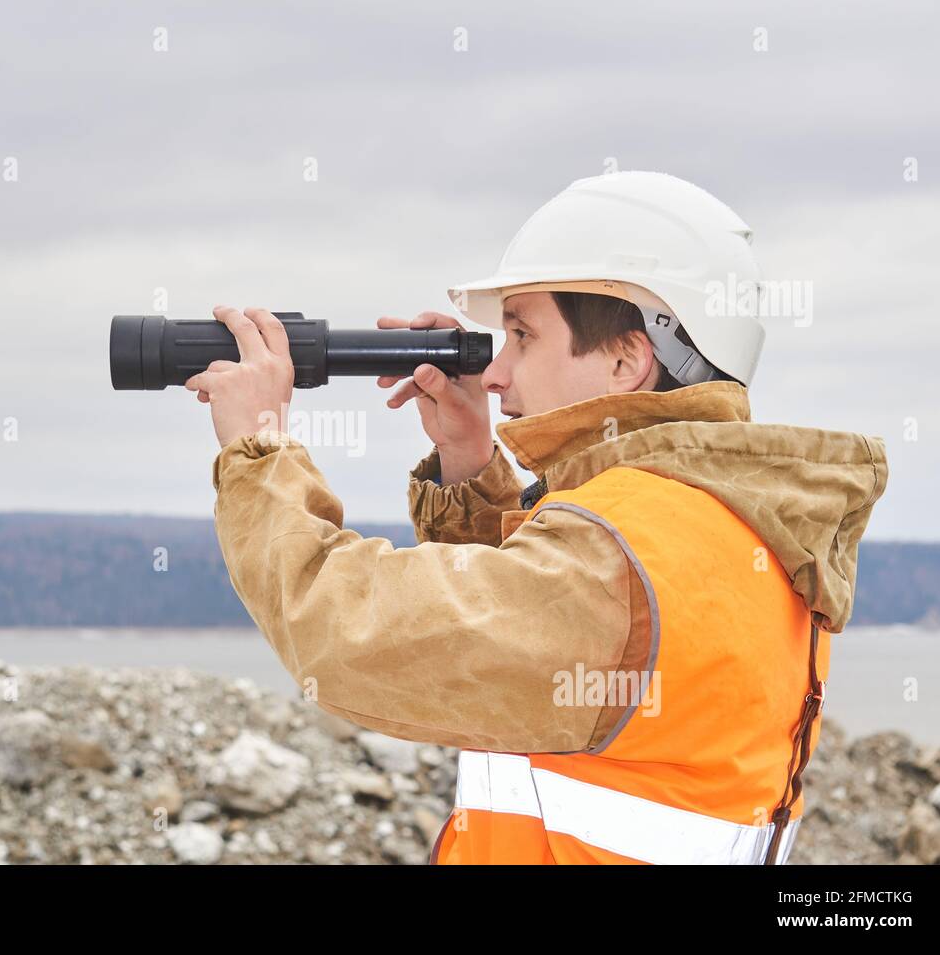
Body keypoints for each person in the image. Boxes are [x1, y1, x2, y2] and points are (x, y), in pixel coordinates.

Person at [185, 171, 889, 865]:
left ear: (625, 361)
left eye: (523, 336)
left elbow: (341, 632)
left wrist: (260, 447)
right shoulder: (726, 524)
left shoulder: (620, 555)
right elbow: (524, 654)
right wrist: (468, 461)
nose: (495, 373)